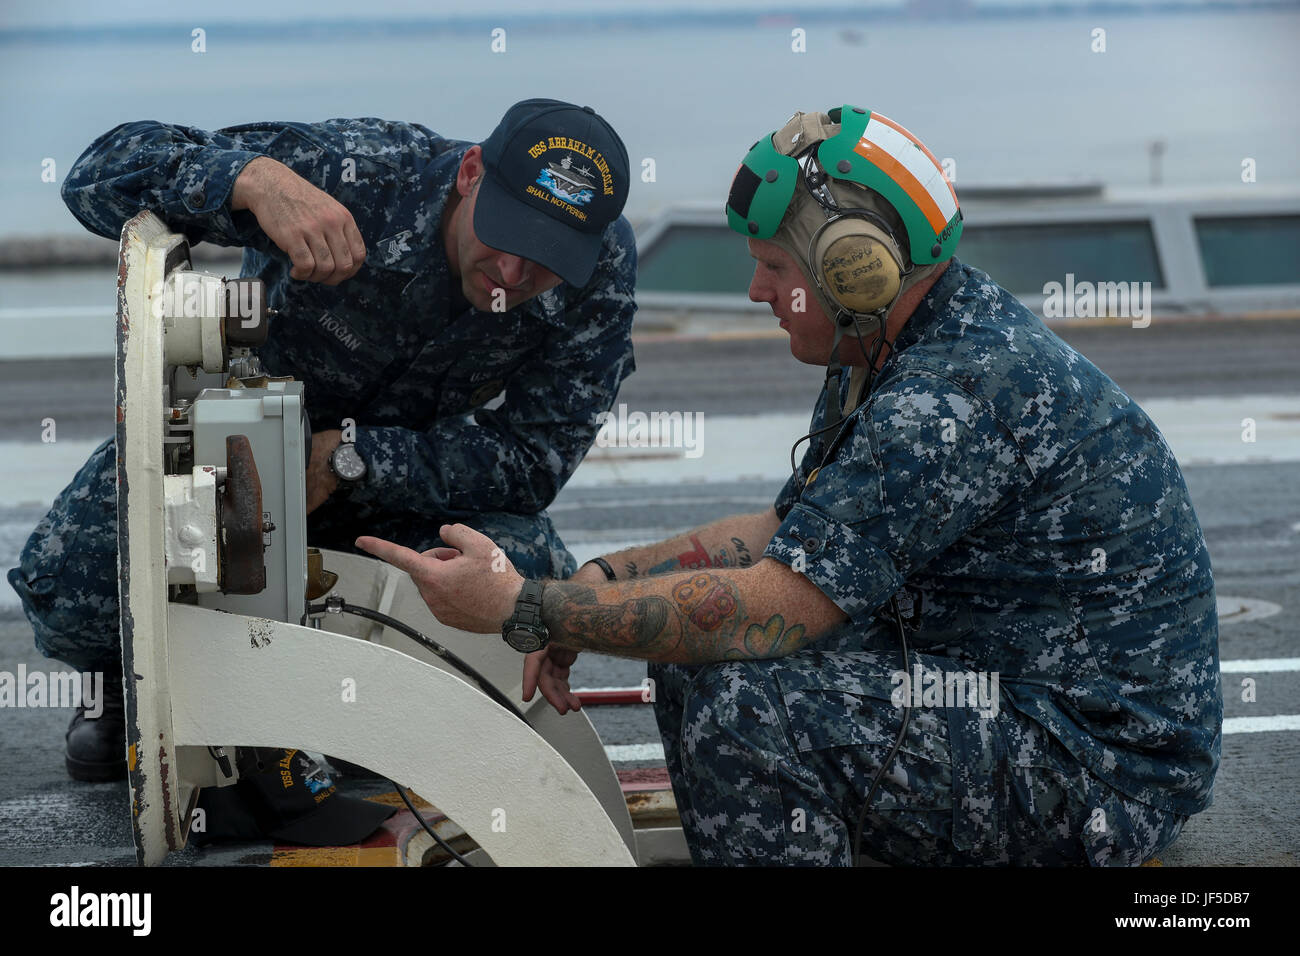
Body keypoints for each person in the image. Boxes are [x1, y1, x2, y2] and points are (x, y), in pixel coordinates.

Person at [356, 105, 1222, 867]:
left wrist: (526, 605)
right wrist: (609, 580)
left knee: (742, 690)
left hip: (1097, 769)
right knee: (696, 652)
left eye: (775, 267)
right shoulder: (893, 342)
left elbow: (774, 605)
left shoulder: (947, 396)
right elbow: (791, 530)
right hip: (1004, 690)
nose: (756, 290)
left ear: (857, 270)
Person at [7, 99, 637, 783]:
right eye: (507, 237)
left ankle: (370, 704)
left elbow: (531, 462)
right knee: (71, 584)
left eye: (543, 261)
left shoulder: (597, 269)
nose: (513, 276)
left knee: (523, 581)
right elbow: (96, 174)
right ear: (471, 173)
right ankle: (121, 680)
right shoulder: (356, 173)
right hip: (234, 457)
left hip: (398, 488)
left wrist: (351, 459)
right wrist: (253, 179)